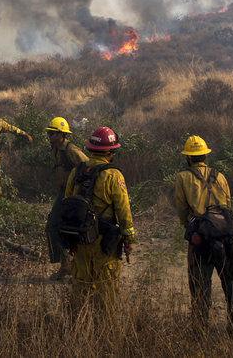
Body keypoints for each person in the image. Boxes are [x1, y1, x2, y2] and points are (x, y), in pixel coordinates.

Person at [173, 135, 233, 335]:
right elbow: (228, 205)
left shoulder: (183, 177)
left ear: (188, 158)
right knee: (232, 281)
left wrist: (189, 227)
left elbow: (181, 208)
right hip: (227, 237)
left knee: (200, 284)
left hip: (201, 238)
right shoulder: (220, 176)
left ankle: (200, 329)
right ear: (205, 155)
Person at [66, 126, 135, 324]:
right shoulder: (114, 175)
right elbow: (123, 211)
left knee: (80, 285)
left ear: (89, 148)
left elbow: (68, 202)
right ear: (111, 151)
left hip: (79, 239)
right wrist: (129, 239)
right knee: (106, 289)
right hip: (105, 242)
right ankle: (105, 334)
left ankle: (78, 328)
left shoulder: (76, 171)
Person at [45, 116, 87, 280]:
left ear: (62, 135)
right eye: (49, 134)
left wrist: (80, 191)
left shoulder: (71, 150)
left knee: (56, 226)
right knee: (55, 227)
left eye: (53, 134)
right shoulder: (56, 150)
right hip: (64, 193)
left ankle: (70, 266)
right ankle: (67, 265)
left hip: (73, 196)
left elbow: (88, 166)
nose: (50, 137)